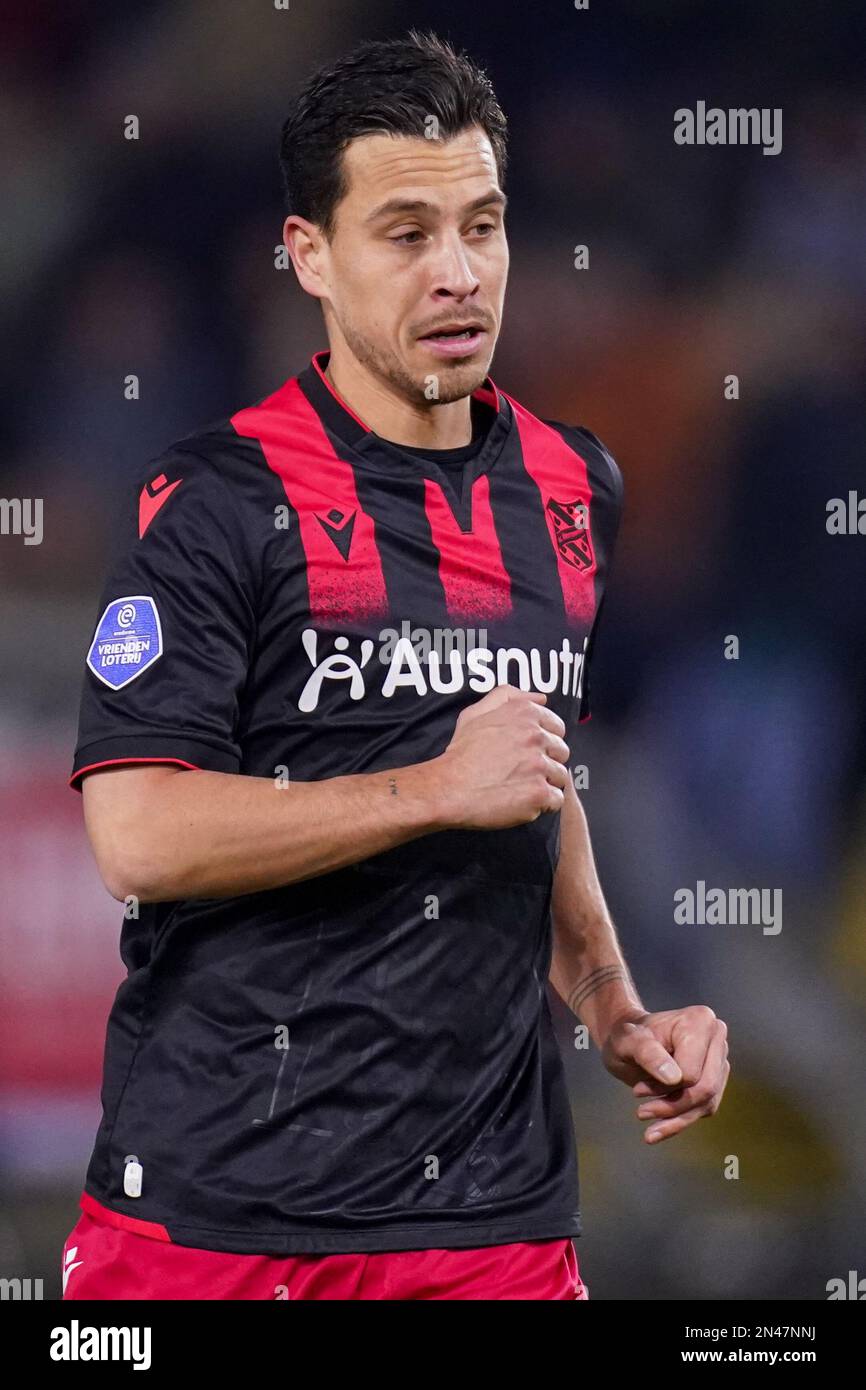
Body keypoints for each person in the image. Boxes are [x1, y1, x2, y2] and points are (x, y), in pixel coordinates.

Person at [62, 29, 729, 1301]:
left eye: (482, 225)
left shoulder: (572, 484)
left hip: (497, 1223)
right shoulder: (213, 501)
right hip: (219, 1217)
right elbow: (137, 836)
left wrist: (611, 1006)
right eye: (406, 232)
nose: (458, 272)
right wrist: (433, 784)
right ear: (309, 254)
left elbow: (532, 769)